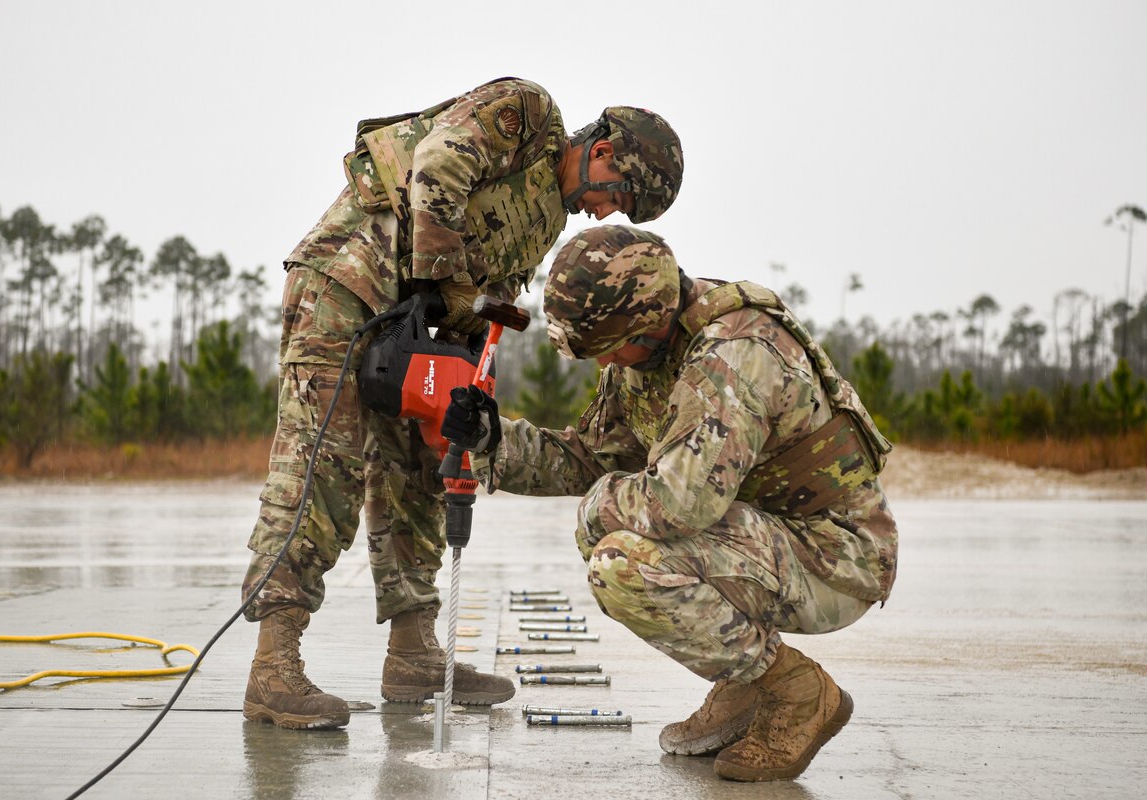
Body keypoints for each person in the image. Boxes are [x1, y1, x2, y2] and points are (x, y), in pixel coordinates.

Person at [240, 78, 684, 731]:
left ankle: (415, 651)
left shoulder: (546, 221)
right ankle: (273, 666)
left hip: (409, 326)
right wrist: (445, 283)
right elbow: (438, 165)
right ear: (605, 150)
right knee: (321, 470)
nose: (606, 212)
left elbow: (481, 302)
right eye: (618, 195)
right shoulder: (527, 116)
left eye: (622, 210)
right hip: (347, 288)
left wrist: (463, 389)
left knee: (421, 468)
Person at [441, 225, 898, 782]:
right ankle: (747, 684)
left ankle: (795, 690)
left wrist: (597, 505)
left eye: (604, 348)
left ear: (644, 321)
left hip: (836, 556)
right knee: (615, 534)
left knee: (622, 562)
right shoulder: (650, 353)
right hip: (765, 535)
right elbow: (593, 456)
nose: (602, 365)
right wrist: (496, 441)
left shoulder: (735, 352)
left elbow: (678, 505)